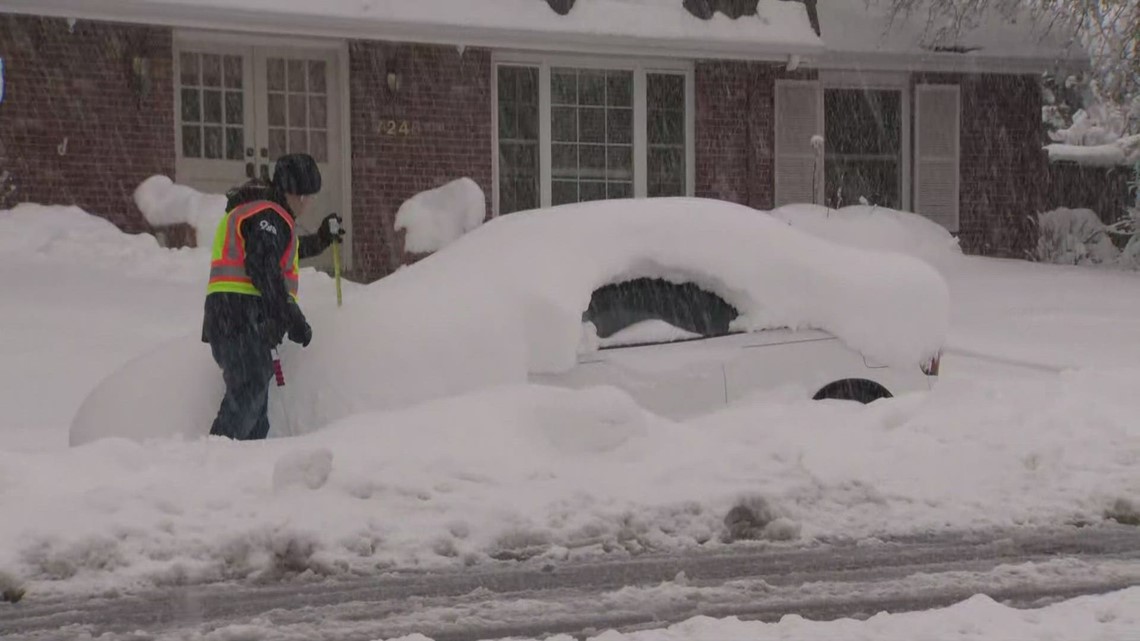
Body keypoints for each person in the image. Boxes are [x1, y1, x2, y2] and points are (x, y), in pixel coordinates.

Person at [202, 153, 345, 440]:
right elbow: (263, 265)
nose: (310, 204)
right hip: (240, 314)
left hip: (232, 314)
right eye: (310, 197)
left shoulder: (260, 213)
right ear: (300, 195)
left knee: (256, 413)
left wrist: (319, 239)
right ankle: (213, 458)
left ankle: (244, 471)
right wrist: (290, 316)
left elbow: (279, 251)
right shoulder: (270, 215)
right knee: (250, 388)